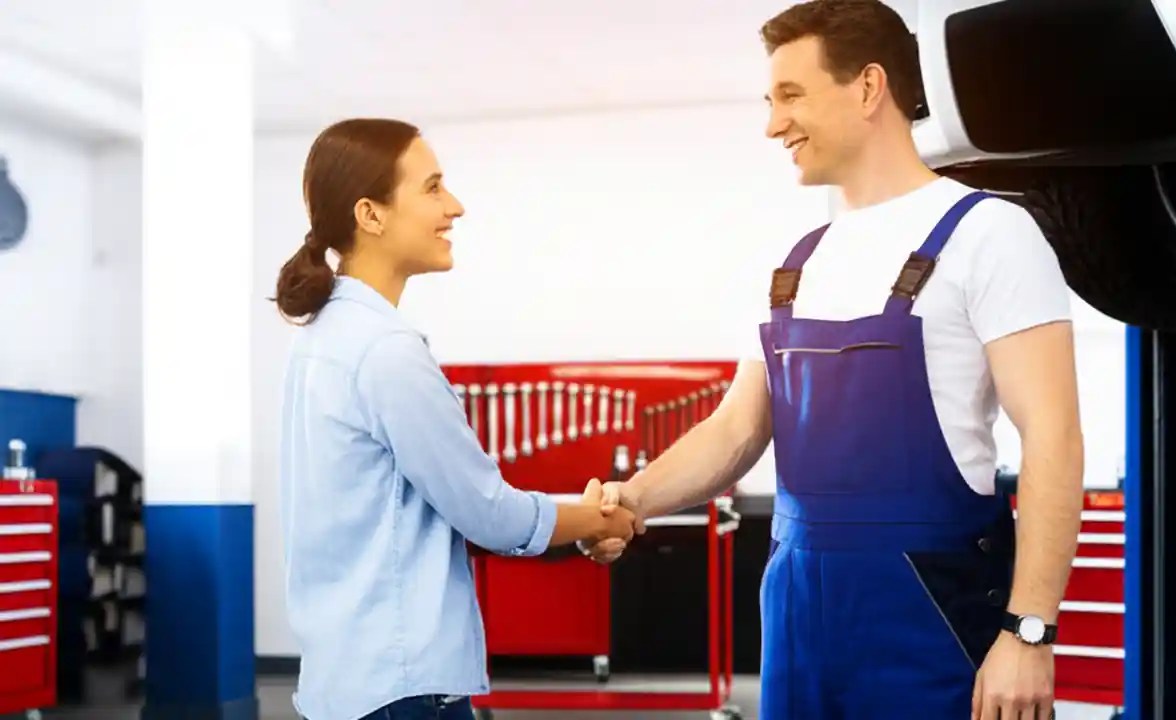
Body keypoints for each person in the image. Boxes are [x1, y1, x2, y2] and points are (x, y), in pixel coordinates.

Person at [582, 2, 1085, 718]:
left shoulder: (991, 234)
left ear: (869, 87)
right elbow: (735, 431)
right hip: (798, 617)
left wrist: (1028, 631)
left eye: (791, 96)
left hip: (932, 611)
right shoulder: (792, 263)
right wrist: (633, 502)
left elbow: (1054, 436)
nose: (772, 124)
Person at [273, 118, 636, 720]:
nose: (455, 207)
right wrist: (597, 518)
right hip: (401, 688)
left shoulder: (322, 338)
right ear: (371, 214)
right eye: (434, 188)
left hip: (343, 683)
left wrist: (578, 519)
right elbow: (488, 513)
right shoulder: (386, 351)